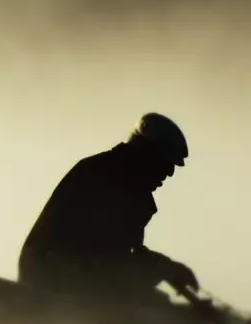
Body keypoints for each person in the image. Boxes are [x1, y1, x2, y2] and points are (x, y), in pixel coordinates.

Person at [18, 113, 199, 306]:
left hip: (72, 277)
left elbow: (120, 255)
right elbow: (105, 256)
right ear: (145, 152)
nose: (169, 173)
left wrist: (167, 269)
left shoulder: (128, 187)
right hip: (54, 279)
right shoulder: (103, 177)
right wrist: (161, 269)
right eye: (165, 163)